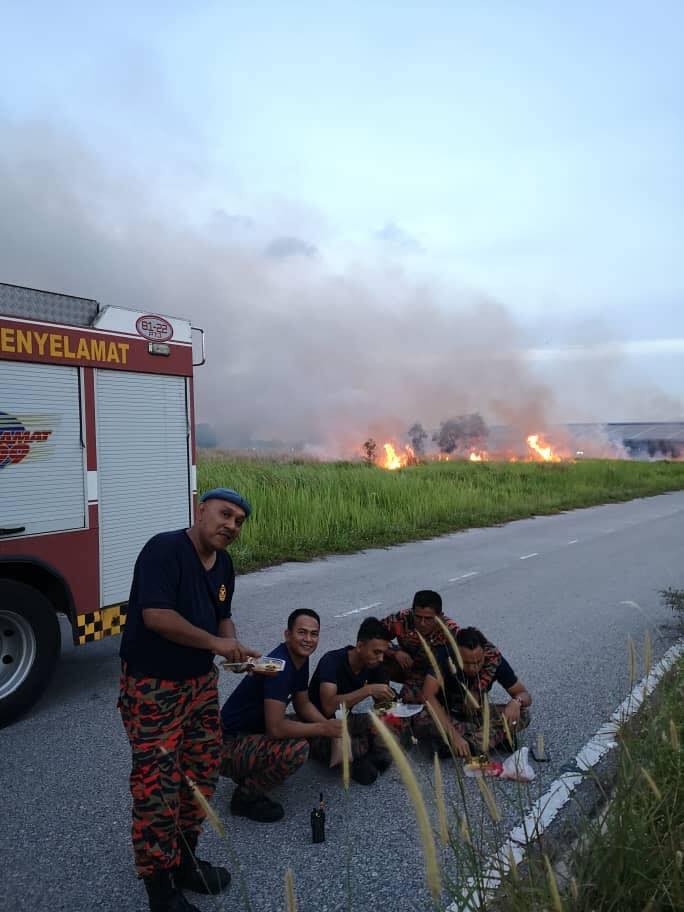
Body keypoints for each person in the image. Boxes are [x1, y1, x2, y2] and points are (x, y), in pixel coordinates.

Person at [118, 487, 259, 912]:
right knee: (156, 785)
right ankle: (159, 887)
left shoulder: (225, 564)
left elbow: (223, 614)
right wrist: (217, 643)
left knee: (200, 773)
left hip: (200, 686)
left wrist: (231, 645)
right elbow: (156, 616)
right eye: (224, 514)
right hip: (153, 688)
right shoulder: (164, 550)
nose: (231, 525)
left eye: (238, 521)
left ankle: (184, 860)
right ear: (201, 510)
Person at [220, 608, 342, 822]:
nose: (308, 639)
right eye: (302, 632)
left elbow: (302, 703)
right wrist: (323, 728)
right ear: (287, 635)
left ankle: (254, 768)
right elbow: (275, 728)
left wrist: (332, 729)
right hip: (224, 746)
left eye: (314, 634)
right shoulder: (280, 668)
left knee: (306, 722)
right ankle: (245, 798)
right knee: (297, 749)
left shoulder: (298, 659)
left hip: (247, 734)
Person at [308, 617, 396, 785]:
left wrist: (389, 706)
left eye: (383, 653)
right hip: (321, 724)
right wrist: (368, 690)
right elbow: (328, 707)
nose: (381, 658)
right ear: (360, 646)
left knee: (391, 725)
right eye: (376, 652)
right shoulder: (332, 661)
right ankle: (355, 753)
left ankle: (363, 753)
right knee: (363, 754)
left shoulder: (375, 665)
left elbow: (383, 706)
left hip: (346, 719)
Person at [420, 626, 532, 757]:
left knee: (523, 714)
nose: (473, 668)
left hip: (475, 714)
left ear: (484, 653)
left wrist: (516, 702)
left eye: (478, 662)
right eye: (466, 663)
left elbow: (525, 695)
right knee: (422, 719)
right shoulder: (444, 656)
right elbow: (427, 696)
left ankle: (472, 744)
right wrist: (454, 736)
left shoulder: (494, 660)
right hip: (447, 714)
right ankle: (491, 739)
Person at [380, 590, 460, 702]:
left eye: (428, 619)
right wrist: (394, 652)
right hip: (406, 666)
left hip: (432, 675)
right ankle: (384, 700)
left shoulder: (450, 631)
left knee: (412, 701)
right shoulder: (402, 618)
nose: (422, 623)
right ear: (412, 612)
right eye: (418, 617)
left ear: (440, 616)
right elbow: (371, 636)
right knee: (372, 657)